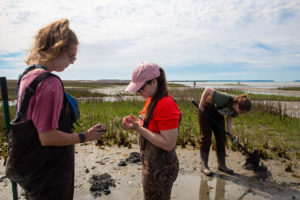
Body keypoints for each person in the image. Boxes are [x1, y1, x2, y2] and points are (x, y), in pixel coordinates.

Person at [5, 19, 106, 200]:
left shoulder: (27, 76)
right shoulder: (49, 84)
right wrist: (85, 136)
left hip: (32, 171)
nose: (72, 62)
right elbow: (48, 137)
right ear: (56, 49)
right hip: (50, 174)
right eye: (70, 56)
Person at [122, 62, 181, 200]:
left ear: (154, 82)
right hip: (151, 166)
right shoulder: (151, 100)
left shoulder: (166, 104)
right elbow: (151, 127)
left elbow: (169, 144)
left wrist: (138, 128)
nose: (138, 93)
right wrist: (135, 124)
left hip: (161, 170)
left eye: (141, 89)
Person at [198, 87, 251, 176]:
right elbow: (207, 89)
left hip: (218, 114)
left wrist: (229, 133)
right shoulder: (224, 98)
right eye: (242, 112)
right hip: (206, 109)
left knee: (221, 138)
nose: (242, 114)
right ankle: (204, 166)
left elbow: (229, 117)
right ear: (237, 106)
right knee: (206, 137)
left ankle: (222, 165)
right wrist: (201, 104)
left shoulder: (237, 109)